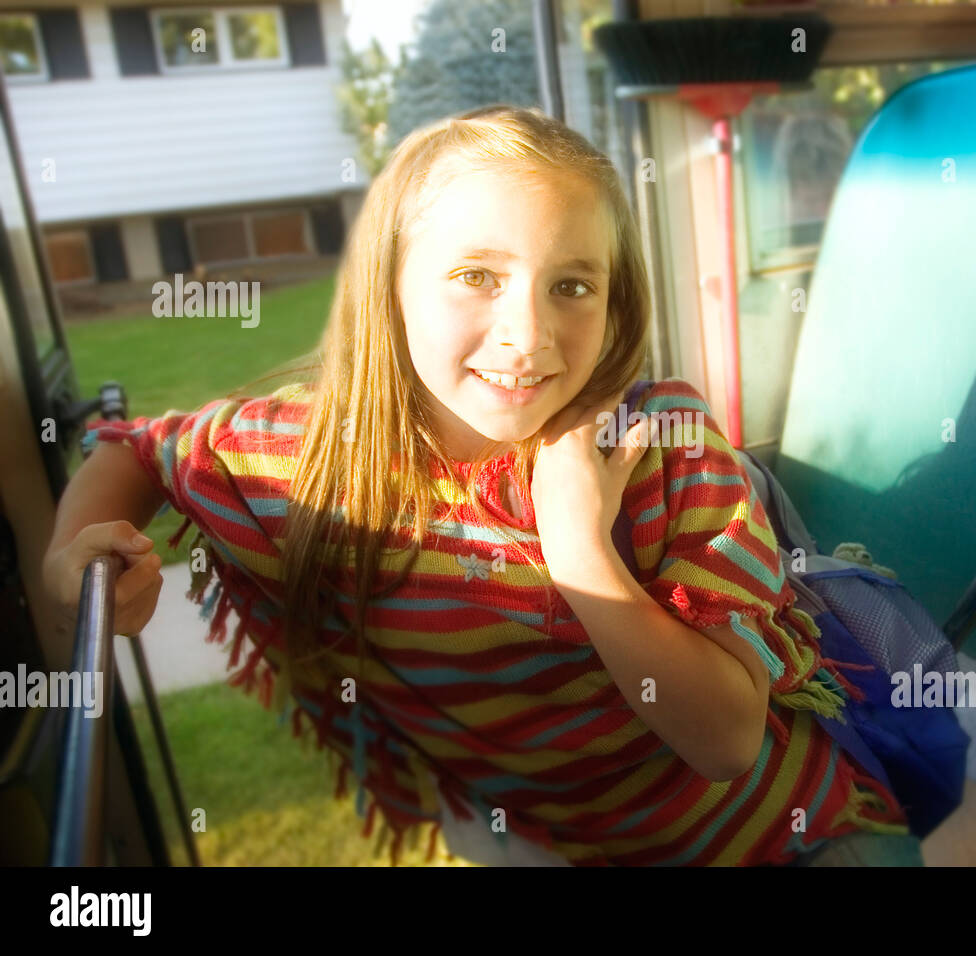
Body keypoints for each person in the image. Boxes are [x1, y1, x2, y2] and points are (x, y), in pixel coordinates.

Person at [42, 105, 914, 867]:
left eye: (572, 285)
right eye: (476, 276)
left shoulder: (665, 445)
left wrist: (581, 549)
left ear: (616, 307)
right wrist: (67, 562)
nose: (527, 335)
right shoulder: (315, 461)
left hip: (794, 842)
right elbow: (140, 450)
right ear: (391, 289)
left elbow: (725, 738)